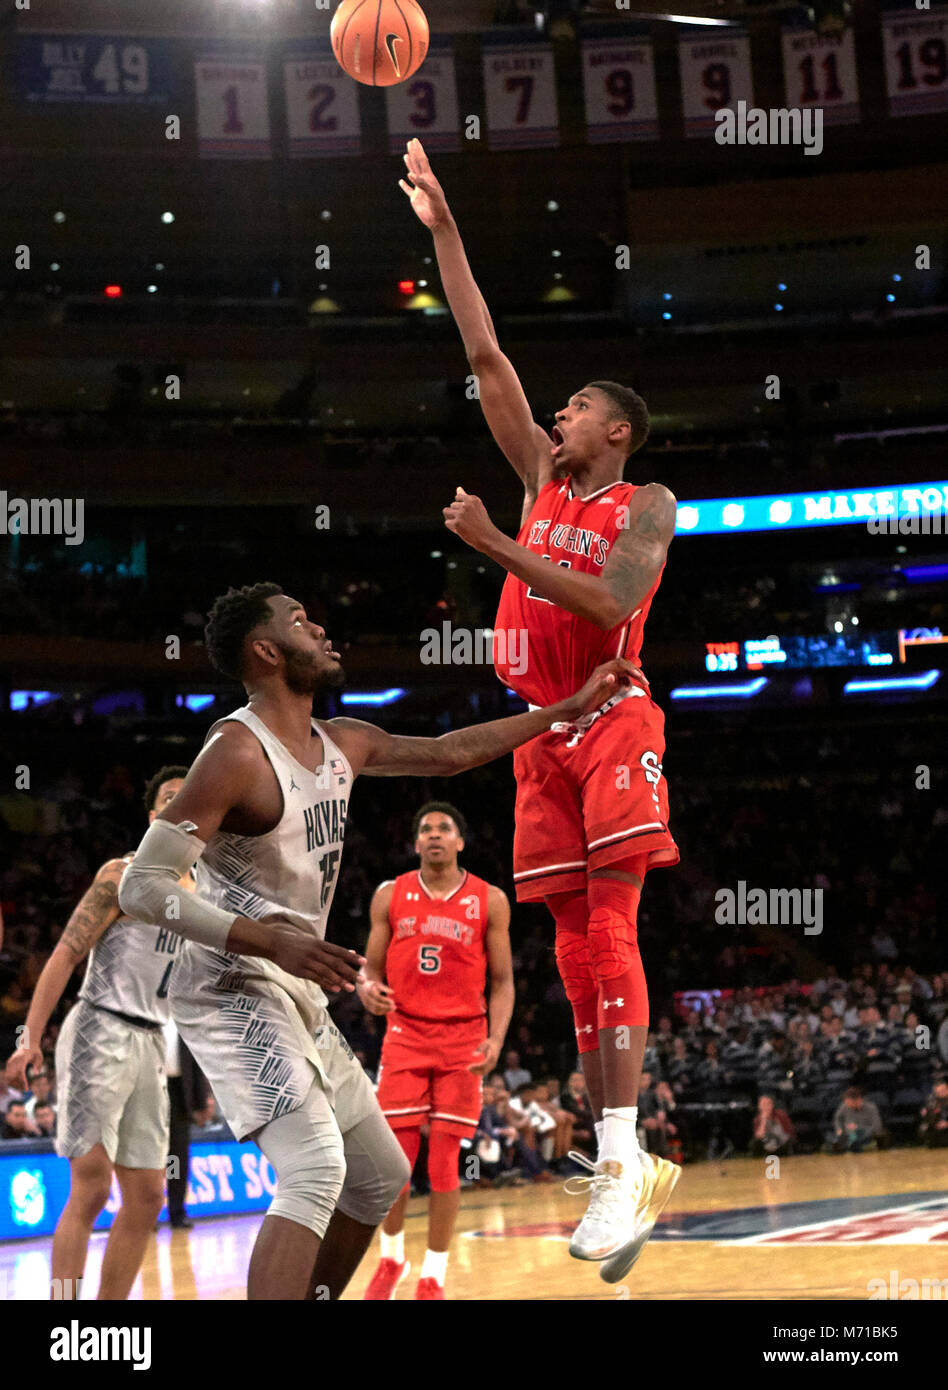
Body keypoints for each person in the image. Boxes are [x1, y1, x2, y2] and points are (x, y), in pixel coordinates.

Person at [117, 581, 639, 1301]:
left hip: (293, 984)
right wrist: (269, 943)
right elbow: (140, 886)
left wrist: (562, 711)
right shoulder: (236, 751)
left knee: (379, 1175)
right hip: (229, 986)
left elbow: (452, 753)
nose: (321, 626)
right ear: (266, 651)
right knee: (313, 1170)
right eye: (301, 620)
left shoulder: (343, 740)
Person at [400, 137, 680, 1283]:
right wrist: (444, 228)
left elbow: (615, 598)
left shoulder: (641, 501)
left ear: (613, 428)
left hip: (611, 713)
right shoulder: (536, 477)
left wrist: (500, 545)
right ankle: (619, 1164)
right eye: (553, 409)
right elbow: (482, 344)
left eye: (573, 408)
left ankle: (623, 1161)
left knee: (609, 930)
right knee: (569, 947)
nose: (553, 416)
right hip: (539, 732)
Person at [5, 766, 191, 1300]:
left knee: (149, 1194)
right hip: (99, 1029)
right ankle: (66, 1319)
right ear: (154, 817)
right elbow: (65, 953)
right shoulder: (123, 875)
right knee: (90, 1185)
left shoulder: (207, 894)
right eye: (170, 800)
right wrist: (29, 1037)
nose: (181, 808)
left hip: (155, 1041)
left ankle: (107, 1322)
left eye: (190, 800)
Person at [358, 800, 514, 1300]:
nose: (434, 836)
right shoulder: (390, 894)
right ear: (415, 842)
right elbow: (370, 968)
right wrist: (367, 988)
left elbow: (504, 981)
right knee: (396, 1162)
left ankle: (434, 1275)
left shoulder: (488, 899)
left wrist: (496, 1039)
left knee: (445, 1161)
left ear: (460, 841)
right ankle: (392, 1257)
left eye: (445, 828)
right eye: (425, 829)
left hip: (464, 1039)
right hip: (405, 1035)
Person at [831, 1087, 885, 1153]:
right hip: (848, 1134)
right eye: (846, 1102)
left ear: (858, 1100)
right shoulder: (844, 1106)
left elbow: (877, 1126)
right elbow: (838, 1118)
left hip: (865, 1135)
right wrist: (839, 1129)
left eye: (849, 1102)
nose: (847, 1104)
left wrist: (859, 1129)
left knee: (856, 1144)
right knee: (832, 1142)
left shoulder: (871, 1108)